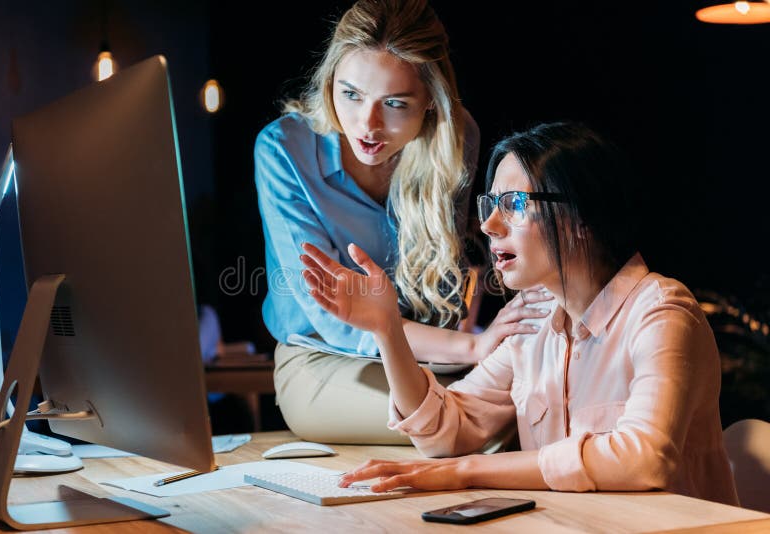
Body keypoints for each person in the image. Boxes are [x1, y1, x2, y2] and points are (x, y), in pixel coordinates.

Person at [301, 121, 739, 505]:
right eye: (489, 206)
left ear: (581, 215)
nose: (490, 226)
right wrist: (387, 329)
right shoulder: (533, 320)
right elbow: (446, 431)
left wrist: (469, 471)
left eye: (512, 204)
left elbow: (645, 458)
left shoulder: (661, 312)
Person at [254, 0, 550, 444]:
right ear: (330, 81)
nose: (366, 125)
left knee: (537, 401)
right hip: (322, 359)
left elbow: (446, 276)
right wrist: (473, 347)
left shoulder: (456, 136)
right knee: (465, 425)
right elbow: (334, 320)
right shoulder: (282, 150)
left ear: (431, 101)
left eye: (394, 103)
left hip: (433, 354)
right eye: (350, 94)